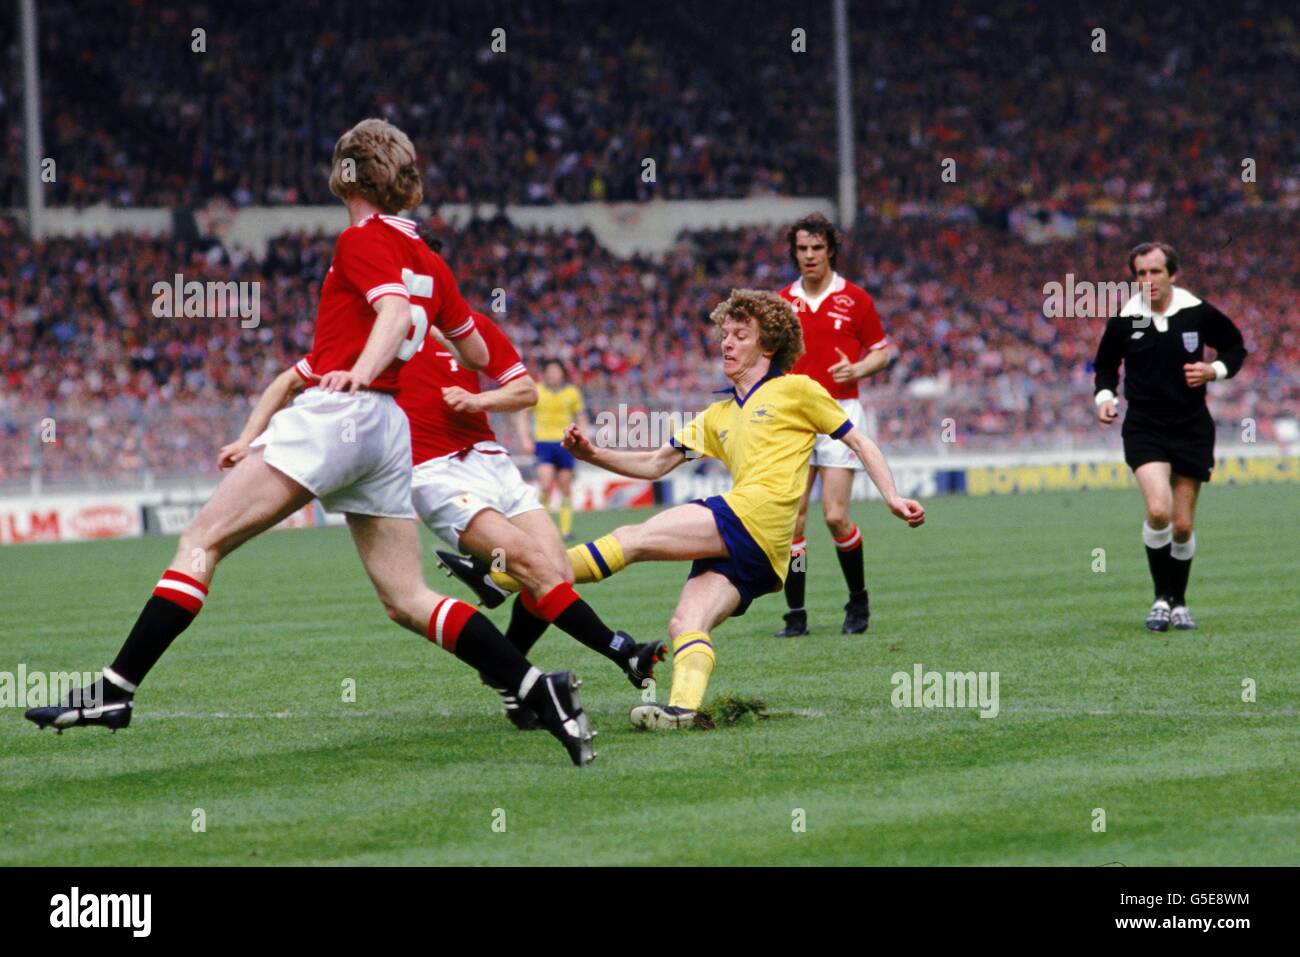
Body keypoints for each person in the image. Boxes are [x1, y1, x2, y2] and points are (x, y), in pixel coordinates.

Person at [25, 118, 595, 765]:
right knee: (407, 599)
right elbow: (470, 343)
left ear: (347, 174)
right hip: (388, 432)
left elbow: (393, 314)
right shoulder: (431, 262)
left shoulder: (360, 240)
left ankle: (115, 690)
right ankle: (532, 686)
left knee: (200, 541)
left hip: (339, 414)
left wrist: (363, 366)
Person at [449, 289, 924, 729]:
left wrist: (891, 495)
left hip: (752, 516)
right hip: (767, 557)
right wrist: (594, 454)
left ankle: (503, 577)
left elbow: (859, 441)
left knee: (635, 538)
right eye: (724, 335)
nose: (727, 343)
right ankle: (682, 710)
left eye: (741, 335)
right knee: (685, 624)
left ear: (769, 345)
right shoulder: (717, 415)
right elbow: (656, 463)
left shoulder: (797, 389)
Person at [1092, 241, 1247, 632]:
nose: (1148, 280)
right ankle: (1161, 599)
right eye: (1140, 273)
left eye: (1155, 272)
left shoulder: (1196, 312)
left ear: (1172, 274)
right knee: (1158, 510)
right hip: (1144, 427)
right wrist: (1105, 397)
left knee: (1181, 525)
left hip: (1191, 427)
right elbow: (1105, 366)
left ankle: (1179, 602)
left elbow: (1234, 346)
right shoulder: (1126, 319)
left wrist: (1215, 371)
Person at [773, 213, 892, 637]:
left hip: (840, 415)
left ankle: (858, 600)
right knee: (793, 521)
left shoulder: (856, 299)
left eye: (816, 248)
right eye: (802, 249)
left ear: (831, 250)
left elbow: (883, 352)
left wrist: (857, 368)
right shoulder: (782, 301)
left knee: (836, 516)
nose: (808, 256)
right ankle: (796, 614)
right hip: (794, 421)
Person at [521, 359, 586, 540]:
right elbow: (523, 414)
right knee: (546, 485)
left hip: (566, 444)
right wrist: (526, 438)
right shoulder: (537, 391)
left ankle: (565, 531)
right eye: (549, 371)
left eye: (556, 371)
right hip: (543, 444)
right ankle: (543, 530)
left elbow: (581, 417)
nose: (553, 374)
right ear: (545, 373)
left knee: (565, 486)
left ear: (562, 373)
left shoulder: (572, 392)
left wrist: (582, 439)